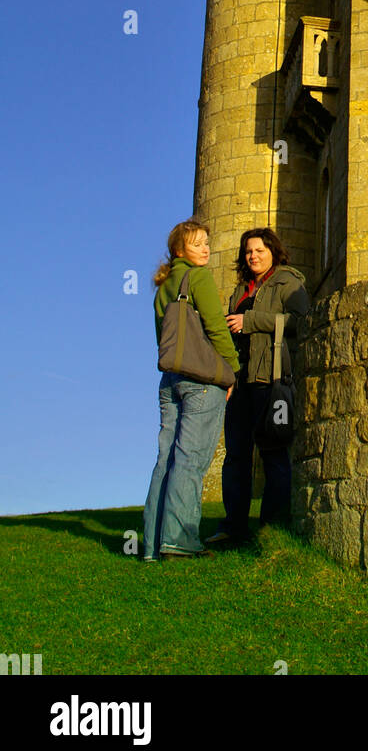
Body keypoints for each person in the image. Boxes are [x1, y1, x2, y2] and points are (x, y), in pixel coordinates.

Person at [142, 219, 240, 561]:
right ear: (180, 250)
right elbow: (216, 327)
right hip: (202, 382)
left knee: (165, 460)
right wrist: (231, 372)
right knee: (191, 461)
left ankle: (154, 545)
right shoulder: (197, 278)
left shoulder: (164, 285)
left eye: (207, 243)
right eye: (197, 244)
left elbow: (163, 338)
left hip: (170, 380)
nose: (206, 249)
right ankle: (180, 542)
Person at [207, 227, 310, 546]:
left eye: (259, 250)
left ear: (273, 252)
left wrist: (250, 321)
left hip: (272, 380)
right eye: (249, 251)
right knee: (236, 456)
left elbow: (299, 321)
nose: (253, 256)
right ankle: (232, 527)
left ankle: (272, 527)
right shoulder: (240, 290)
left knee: (274, 451)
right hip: (240, 382)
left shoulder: (288, 281)